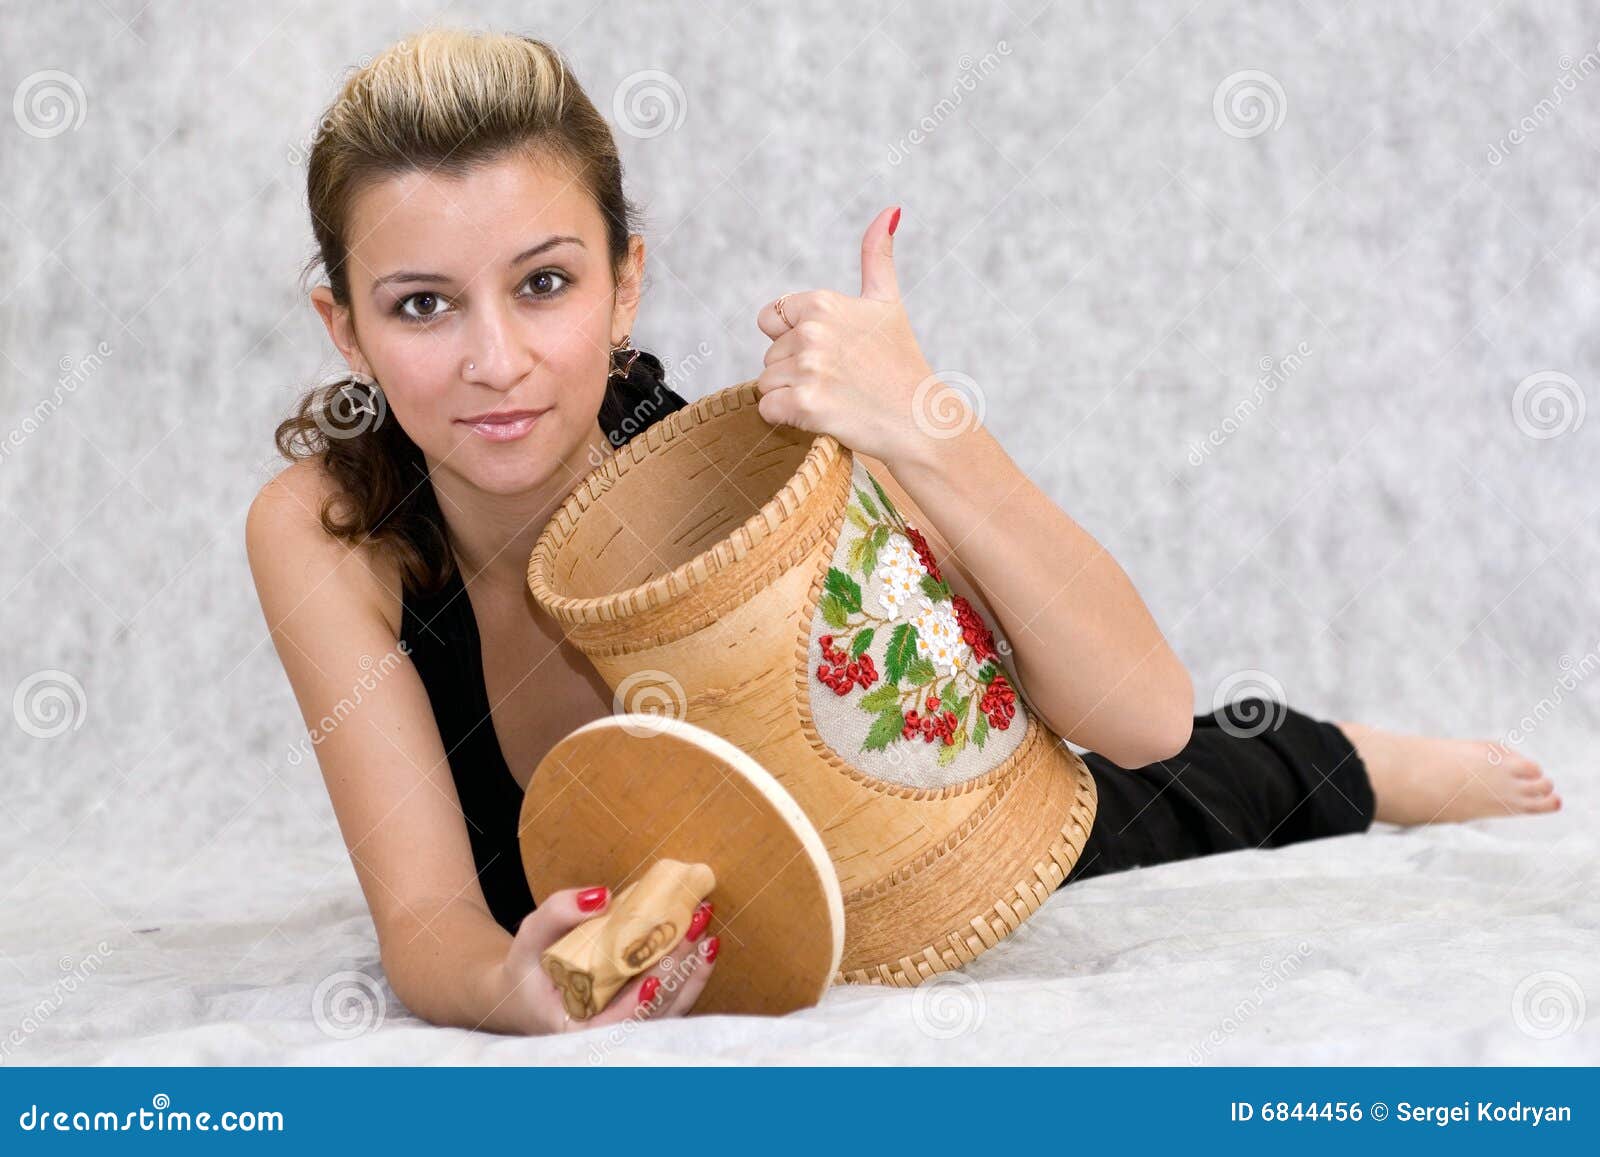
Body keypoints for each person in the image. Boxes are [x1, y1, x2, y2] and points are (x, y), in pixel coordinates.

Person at [246, 28, 1560, 1038]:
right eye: (422, 305)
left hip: (894, 820)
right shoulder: (327, 530)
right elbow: (424, 917)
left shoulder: (758, 484)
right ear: (345, 327)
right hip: (694, 907)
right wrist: (510, 986)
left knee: (1127, 799)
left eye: (545, 283)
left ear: (626, 278)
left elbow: (1145, 714)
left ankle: (1351, 760)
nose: (497, 360)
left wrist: (925, 428)